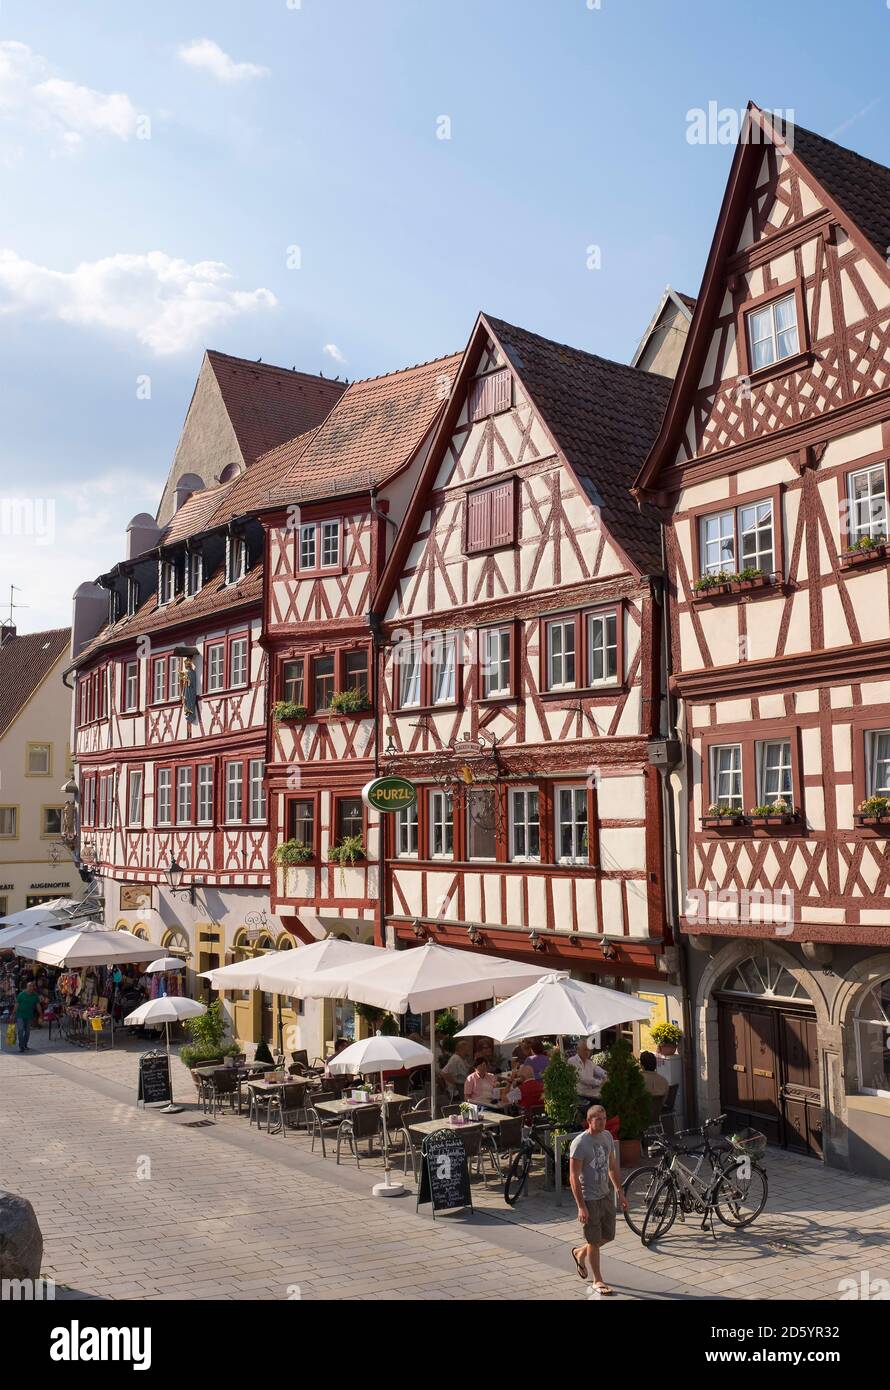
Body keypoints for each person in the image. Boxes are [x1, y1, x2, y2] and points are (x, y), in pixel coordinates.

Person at [569, 1104, 627, 1295]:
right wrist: (581, 1206)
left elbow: (611, 1166)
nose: (602, 1122)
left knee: (608, 1235)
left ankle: (580, 1252)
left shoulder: (608, 1137)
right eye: (598, 1119)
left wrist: (619, 1191)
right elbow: (573, 1176)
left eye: (604, 1118)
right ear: (589, 1121)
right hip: (589, 1198)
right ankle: (597, 1280)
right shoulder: (580, 1143)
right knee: (594, 1241)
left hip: (605, 1195)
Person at [568, 1039, 607, 1103]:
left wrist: (607, 1075)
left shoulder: (589, 1062)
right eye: (585, 1049)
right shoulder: (572, 1061)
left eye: (589, 1050)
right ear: (578, 1049)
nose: (587, 1052)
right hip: (579, 1096)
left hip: (590, 1094)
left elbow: (599, 1070)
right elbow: (583, 1078)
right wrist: (600, 1082)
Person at [12, 981, 42, 1053]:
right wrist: (13, 1013)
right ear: (27, 987)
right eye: (29, 986)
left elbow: (38, 1005)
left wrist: (41, 1014)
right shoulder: (21, 994)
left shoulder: (35, 996)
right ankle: (21, 1046)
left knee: (27, 1031)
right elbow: (17, 1004)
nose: (31, 988)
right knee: (20, 1030)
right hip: (20, 1015)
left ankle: (25, 1044)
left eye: (32, 986)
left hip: (28, 1016)